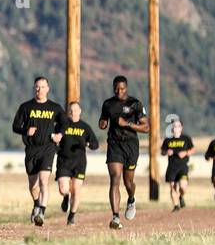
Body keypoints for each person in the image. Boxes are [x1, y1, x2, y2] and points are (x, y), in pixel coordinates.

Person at [12, 76, 65, 226]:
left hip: (48, 148)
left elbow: (64, 123)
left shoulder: (54, 108)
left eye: (42, 87)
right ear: (34, 88)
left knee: (44, 181)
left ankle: (41, 212)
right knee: (33, 186)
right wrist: (25, 130)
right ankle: (36, 203)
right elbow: (15, 126)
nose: (39, 90)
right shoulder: (26, 107)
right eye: (37, 87)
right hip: (31, 150)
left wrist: (59, 134)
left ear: (47, 89)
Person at [98, 75, 149, 230]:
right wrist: (102, 123)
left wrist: (127, 124)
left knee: (128, 182)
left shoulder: (135, 104)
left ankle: (131, 199)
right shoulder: (107, 104)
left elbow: (146, 128)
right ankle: (115, 217)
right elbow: (103, 121)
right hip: (114, 145)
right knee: (115, 178)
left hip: (131, 146)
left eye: (122, 88)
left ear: (126, 88)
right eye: (116, 88)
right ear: (113, 88)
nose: (119, 91)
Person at [54, 101, 97, 225]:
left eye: (76, 110)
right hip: (64, 161)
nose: (73, 113)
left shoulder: (85, 127)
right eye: (71, 111)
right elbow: (53, 139)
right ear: (68, 113)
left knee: (76, 190)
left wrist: (89, 144)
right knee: (63, 189)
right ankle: (65, 197)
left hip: (79, 162)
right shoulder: (62, 126)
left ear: (80, 111)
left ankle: (71, 216)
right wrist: (57, 148)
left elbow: (95, 144)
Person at [162, 119, 194, 212]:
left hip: (183, 166)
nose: (176, 128)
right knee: (172, 186)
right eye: (174, 126)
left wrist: (186, 152)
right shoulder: (168, 140)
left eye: (178, 126)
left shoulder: (186, 138)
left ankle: (181, 196)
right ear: (172, 128)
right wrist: (166, 152)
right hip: (172, 167)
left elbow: (193, 149)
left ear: (181, 128)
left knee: (183, 186)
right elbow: (162, 151)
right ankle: (176, 206)